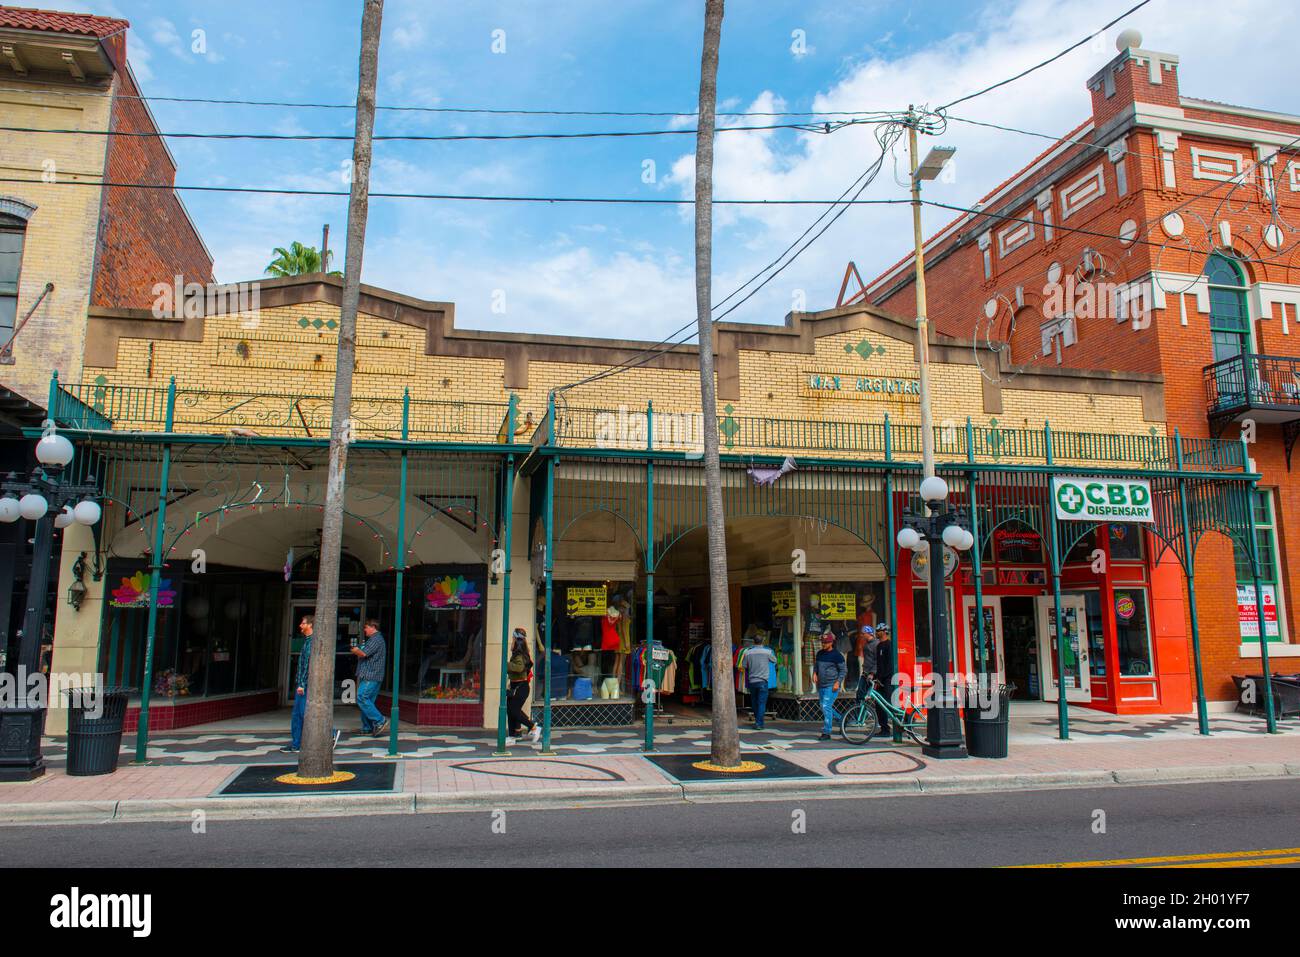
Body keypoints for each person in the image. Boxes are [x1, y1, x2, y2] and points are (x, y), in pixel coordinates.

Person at [281, 615, 341, 753]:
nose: (300, 626)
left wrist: (302, 683)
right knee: (298, 715)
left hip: (305, 685)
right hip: (303, 684)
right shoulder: (308, 641)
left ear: (311, 625)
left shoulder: (312, 642)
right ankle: (296, 744)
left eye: (303, 623)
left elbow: (309, 665)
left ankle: (330, 733)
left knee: (305, 714)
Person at [351, 619, 388, 737]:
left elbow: (363, 653)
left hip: (370, 674)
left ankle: (380, 721)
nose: (365, 630)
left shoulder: (375, 639)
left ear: (373, 627)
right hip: (374, 674)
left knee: (362, 697)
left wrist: (355, 650)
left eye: (366, 627)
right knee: (368, 701)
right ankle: (367, 727)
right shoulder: (376, 639)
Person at [505, 627, 541, 745]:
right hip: (517, 686)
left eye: (513, 638)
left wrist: (507, 665)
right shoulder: (521, 653)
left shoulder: (519, 655)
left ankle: (533, 728)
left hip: (521, 687)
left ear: (515, 639)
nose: (512, 640)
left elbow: (519, 668)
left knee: (513, 710)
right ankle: (514, 734)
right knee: (511, 711)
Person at [810, 629, 846, 740]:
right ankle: (842, 719)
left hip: (832, 685)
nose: (823, 644)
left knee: (826, 706)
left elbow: (843, 670)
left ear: (831, 643)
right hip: (822, 685)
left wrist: (838, 682)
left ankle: (827, 732)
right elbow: (816, 665)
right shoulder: (820, 653)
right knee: (824, 707)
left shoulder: (837, 655)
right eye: (822, 642)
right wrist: (814, 673)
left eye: (826, 642)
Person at [744, 631, 777, 730]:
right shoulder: (768, 652)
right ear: (763, 641)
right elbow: (774, 660)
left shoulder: (748, 652)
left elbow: (744, 665)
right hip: (763, 681)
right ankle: (759, 723)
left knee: (754, 702)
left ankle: (757, 722)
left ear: (753, 642)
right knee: (762, 703)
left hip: (752, 681)